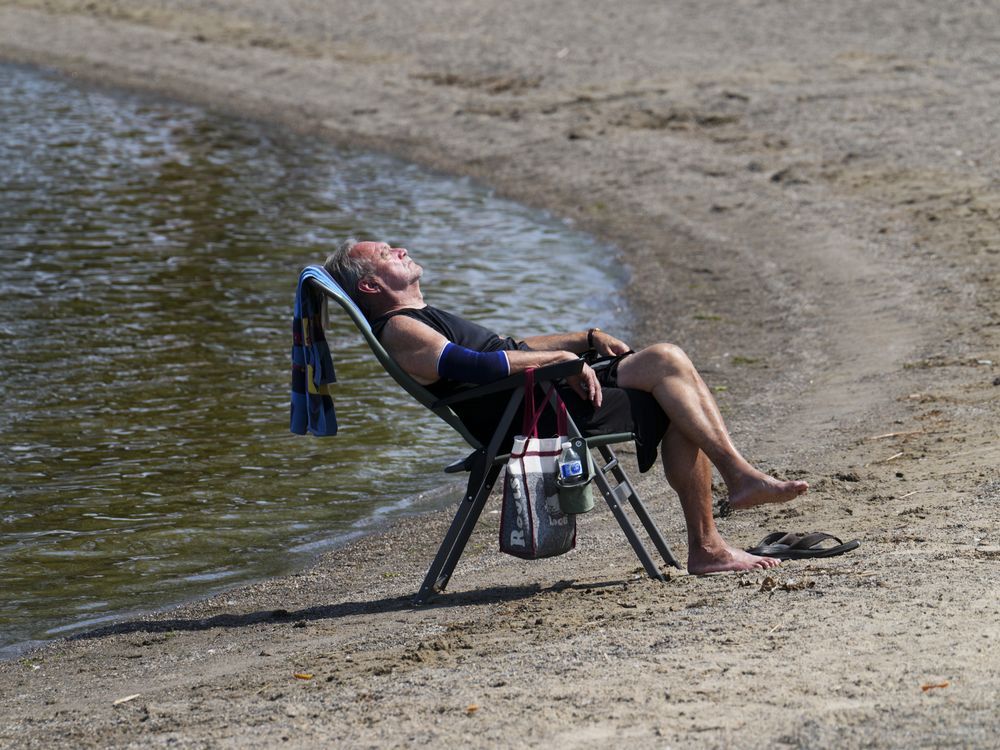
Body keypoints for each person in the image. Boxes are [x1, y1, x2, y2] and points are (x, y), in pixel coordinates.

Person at [324, 239, 808, 573]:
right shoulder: (400, 327)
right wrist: (558, 359)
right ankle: (719, 522)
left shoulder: (420, 317)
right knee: (674, 386)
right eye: (387, 253)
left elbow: (504, 345)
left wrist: (583, 339)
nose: (401, 250)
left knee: (667, 363)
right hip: (532, 415)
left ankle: (725, 512)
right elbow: (470, 365)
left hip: (539, 397)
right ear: (370, 286)